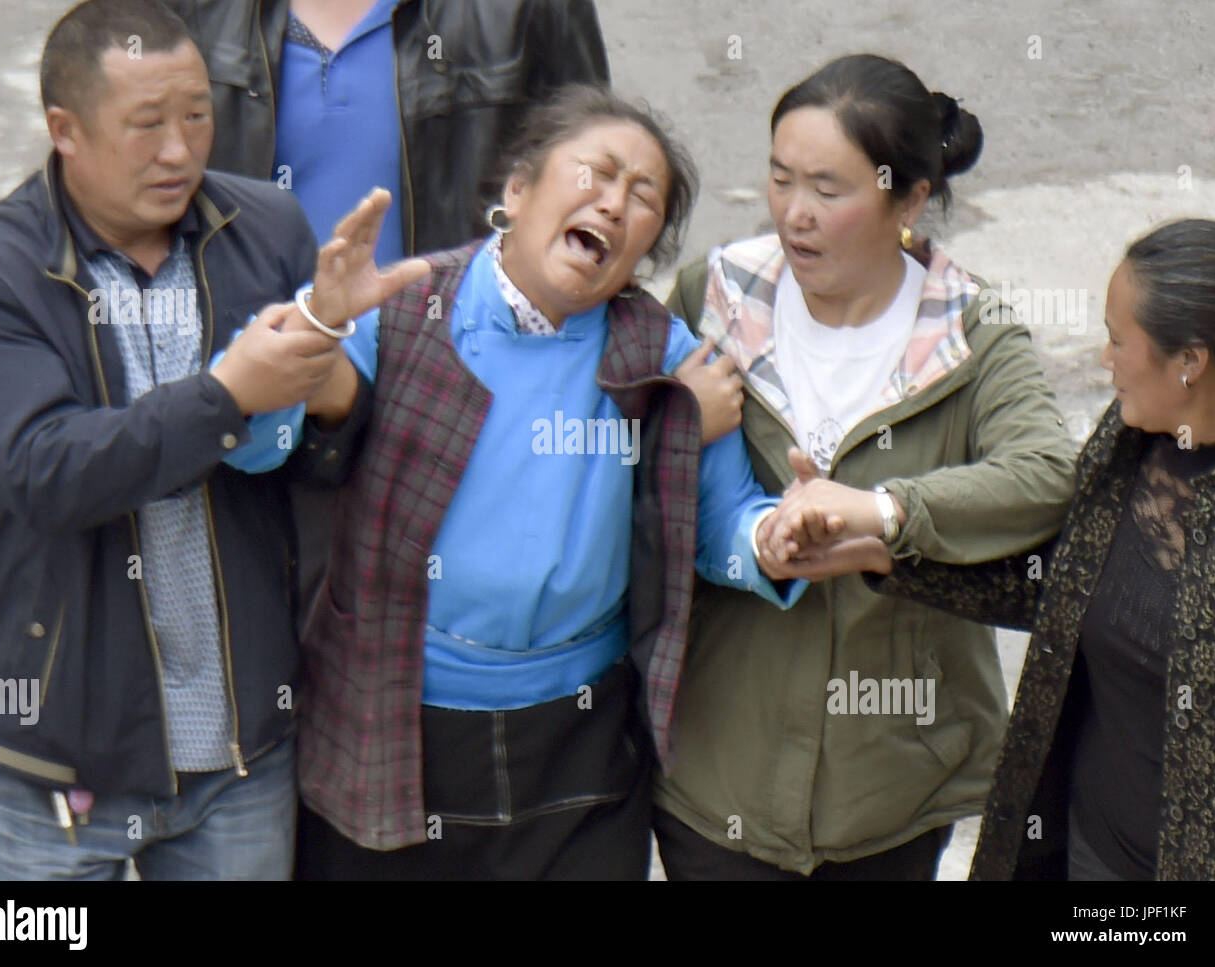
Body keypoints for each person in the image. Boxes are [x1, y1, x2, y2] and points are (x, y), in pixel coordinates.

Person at [225, 85, 826, 879]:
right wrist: (318, 325)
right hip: (392, 720)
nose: (613, 204)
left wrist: (774, 539)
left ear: (646, 250)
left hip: (579, 742)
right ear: (516, 190)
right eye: (596, 174)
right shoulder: (406, 308)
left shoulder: (664, 354)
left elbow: (721, 527)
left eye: (643, 197)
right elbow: (257, 449)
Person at [0, 0, 423, 880]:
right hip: (56, 755)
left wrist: (334, 386)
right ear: (65, 130)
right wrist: (231, 393)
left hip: (239, 741)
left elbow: (324, 466)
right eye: (145, 124)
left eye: (197, 114)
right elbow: (47, 473)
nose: (179, 150)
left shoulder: (267, 225)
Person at [653, 53, 1079, 880]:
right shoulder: (716, 296)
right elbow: (650, 470)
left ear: (910, 199)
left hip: (891, 786)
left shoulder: (970, 332)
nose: (794, 215)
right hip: (715, 767)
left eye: (828, 189)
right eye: (780, 181)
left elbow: (1045, 476)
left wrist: (883, 514)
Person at [165, 0, 613, 620]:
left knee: (421, 660)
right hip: (247, 390)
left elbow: (592, 187)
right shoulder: (189, 12)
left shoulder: (528, 10)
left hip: (444, 396)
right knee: (255, 657)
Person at [863, 218, 1215, 881]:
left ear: (1190, 363)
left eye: (1120, 341)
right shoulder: (1129, 448)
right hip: (1085, 852)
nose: (1104, 360)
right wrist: (884, 556)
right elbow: (1059, 587)